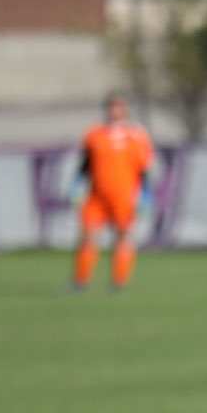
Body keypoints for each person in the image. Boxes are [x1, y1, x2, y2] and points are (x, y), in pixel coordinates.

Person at [71, 93, 155, 292]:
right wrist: (77, 183)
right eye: (112, 106)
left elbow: (144, 168)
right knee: (88, 236)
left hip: (123, 196)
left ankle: (118, 281)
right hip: (96, 195)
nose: (115, 111)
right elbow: (86, 163)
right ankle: (81, 281)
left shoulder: (136, 135)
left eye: (119, 107)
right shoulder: (95, 133)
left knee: (123, 236)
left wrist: (145, 193)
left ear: (125, 110)